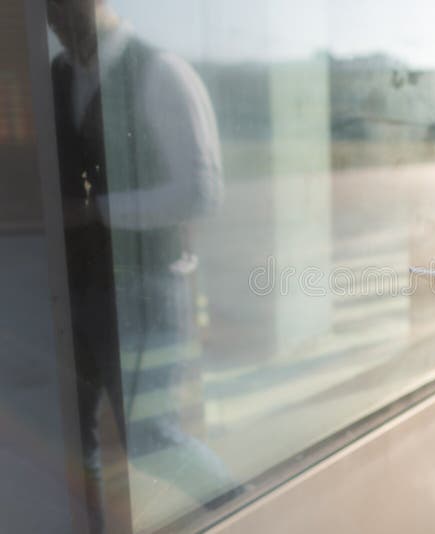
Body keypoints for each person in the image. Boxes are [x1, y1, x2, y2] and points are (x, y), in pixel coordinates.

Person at [47, 0, 237, 531]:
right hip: (73, 288)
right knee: (68, 435)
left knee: (152, 439)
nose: (56, 18)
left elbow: (202, 193)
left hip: (148, 286)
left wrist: (96, 211)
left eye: (65, 7)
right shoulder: (57, 75)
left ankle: (247, 512)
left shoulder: (161, 71)